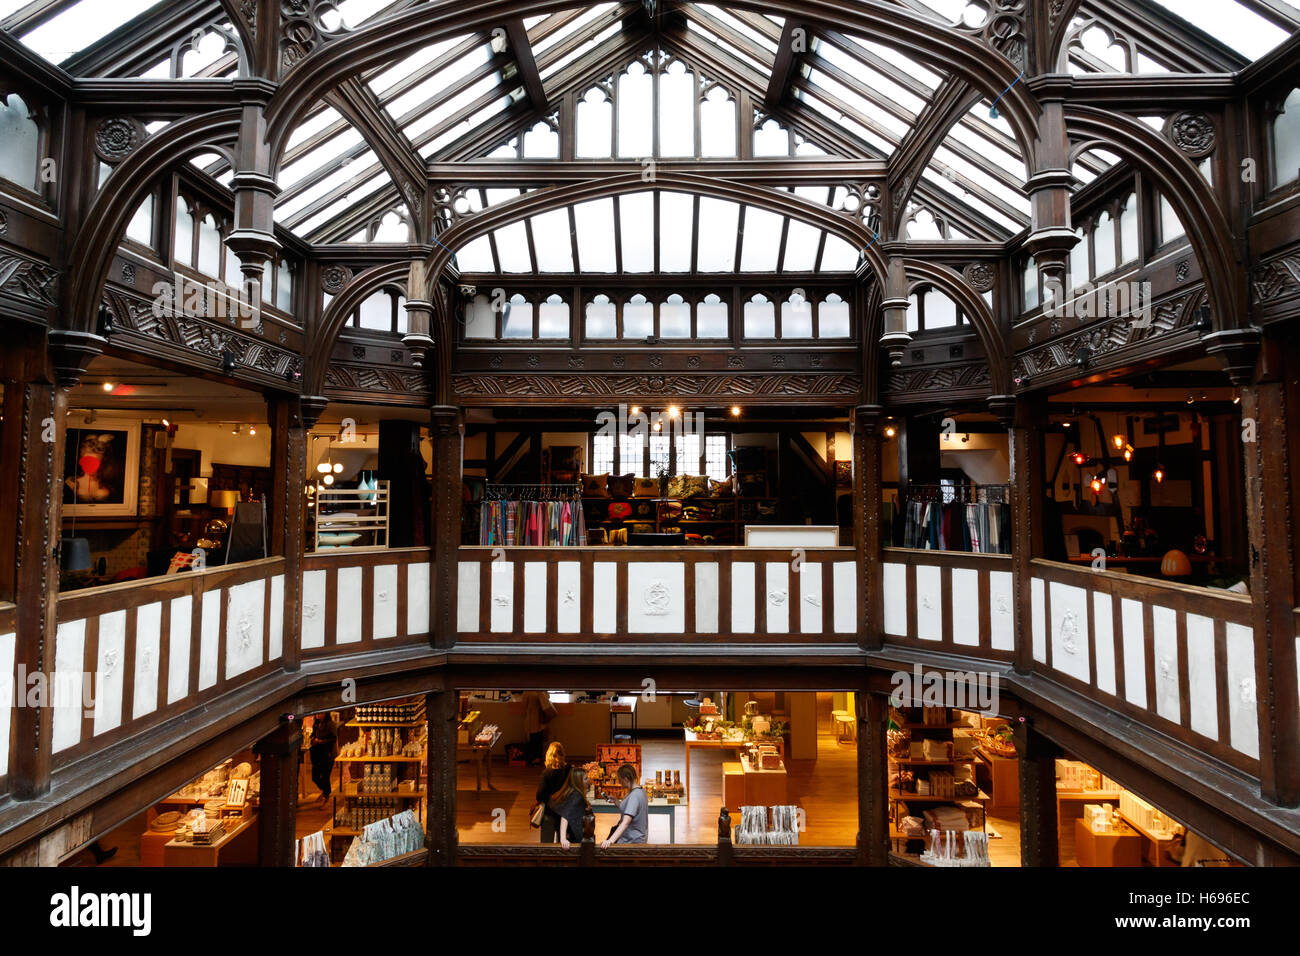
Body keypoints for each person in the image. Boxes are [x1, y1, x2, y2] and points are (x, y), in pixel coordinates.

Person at [600, 763, 647, 847]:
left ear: (625, 779)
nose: (619, 782)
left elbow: (626, 822)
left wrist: (610, 841)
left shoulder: (634, 796)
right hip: (637, 837)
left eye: (620, 780)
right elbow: (631, 809)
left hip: (631, 840)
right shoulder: (640, 790)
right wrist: (616, 801)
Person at [535, 742, 569, 844]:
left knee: (546, 843)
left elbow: (539, 795)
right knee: (563, 842)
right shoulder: (568, 770)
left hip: (549, 812)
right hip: (565, 812)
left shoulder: (547, 773)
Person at [552, 768, 590, 850]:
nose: (589, 780)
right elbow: (565, 815)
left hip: (572, 833)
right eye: (585, 778)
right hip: (573, 836)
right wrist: (563, 839)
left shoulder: (571, 791)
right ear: (578, 781)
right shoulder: (576, 796)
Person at [309, 712, 338, 807]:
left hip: (328, 754)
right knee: (315, 776)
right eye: (317, 714)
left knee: (325, 776)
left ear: (325, 714)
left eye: (320, 714)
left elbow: (333, 738)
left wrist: (321, 741)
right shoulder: (316, 724)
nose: (318, 715)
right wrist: (313, 739)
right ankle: (325, 791)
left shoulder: (330, 724)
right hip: (318, 754)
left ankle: (326, 795)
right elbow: (313, 734)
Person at [521, 691, 555, 765]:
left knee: (532, 739)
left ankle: (533, 758)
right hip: (541, 718)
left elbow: (523, 704)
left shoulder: (527, 692)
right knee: (539, 739)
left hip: (532, 718)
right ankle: (538, 757)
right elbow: (548, 698)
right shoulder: (542, 691)